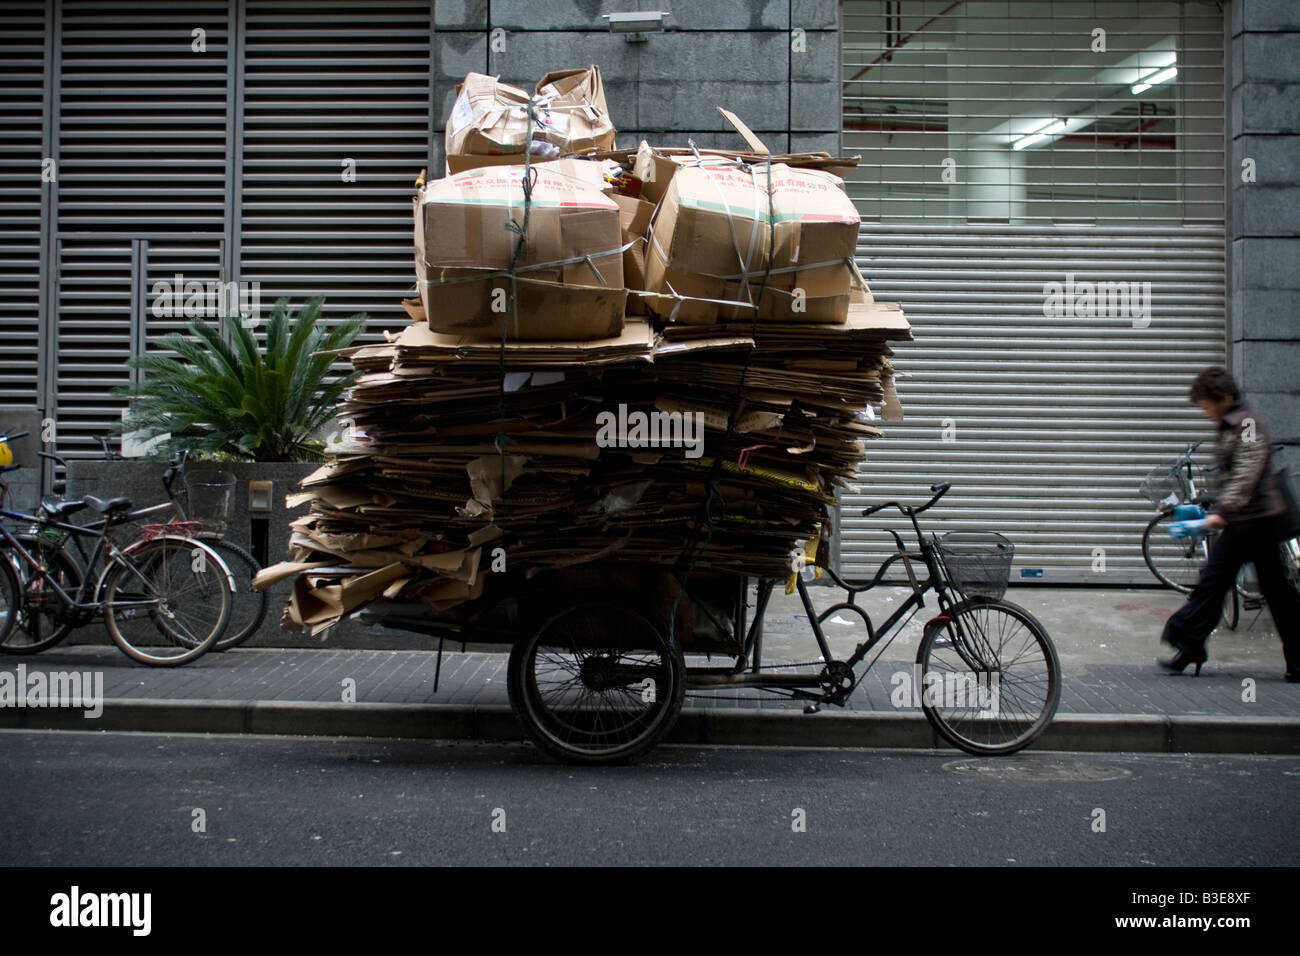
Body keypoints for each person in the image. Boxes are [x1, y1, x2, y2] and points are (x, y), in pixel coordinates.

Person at [1159, 366, 1300, 680]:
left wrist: (1222, 511)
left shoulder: (1246, 424)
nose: (1205, 412)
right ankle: (1191, 645)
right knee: (1221, 584)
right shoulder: (1229, 423)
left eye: (1207, 405)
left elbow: (1247, 474)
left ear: (1223, 398)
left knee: (1265, 591)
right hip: (1246, 521)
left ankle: (1189, 643)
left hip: (1258, 522)